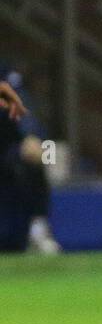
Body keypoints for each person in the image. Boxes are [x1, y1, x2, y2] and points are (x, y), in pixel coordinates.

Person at [0, 62, 60, 253]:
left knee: (42, 151)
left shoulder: (5, 73)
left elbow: (19, 105)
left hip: (5, 152)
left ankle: (38, 229)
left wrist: (31, 135)